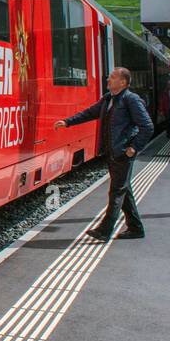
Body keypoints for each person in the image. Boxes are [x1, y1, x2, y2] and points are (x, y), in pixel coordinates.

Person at [54, 66, 153, 240]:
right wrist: (67, 122)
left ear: (123, 82)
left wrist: (134, 147)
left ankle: (104, 230)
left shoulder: (131, 100)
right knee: (124, 191)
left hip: (123, 153)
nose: (108, 79)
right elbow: (89, 113)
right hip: (112, 152)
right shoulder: (108, 99)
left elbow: (147, 126)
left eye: (113, 77)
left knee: (116, 192)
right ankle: (136, 228)